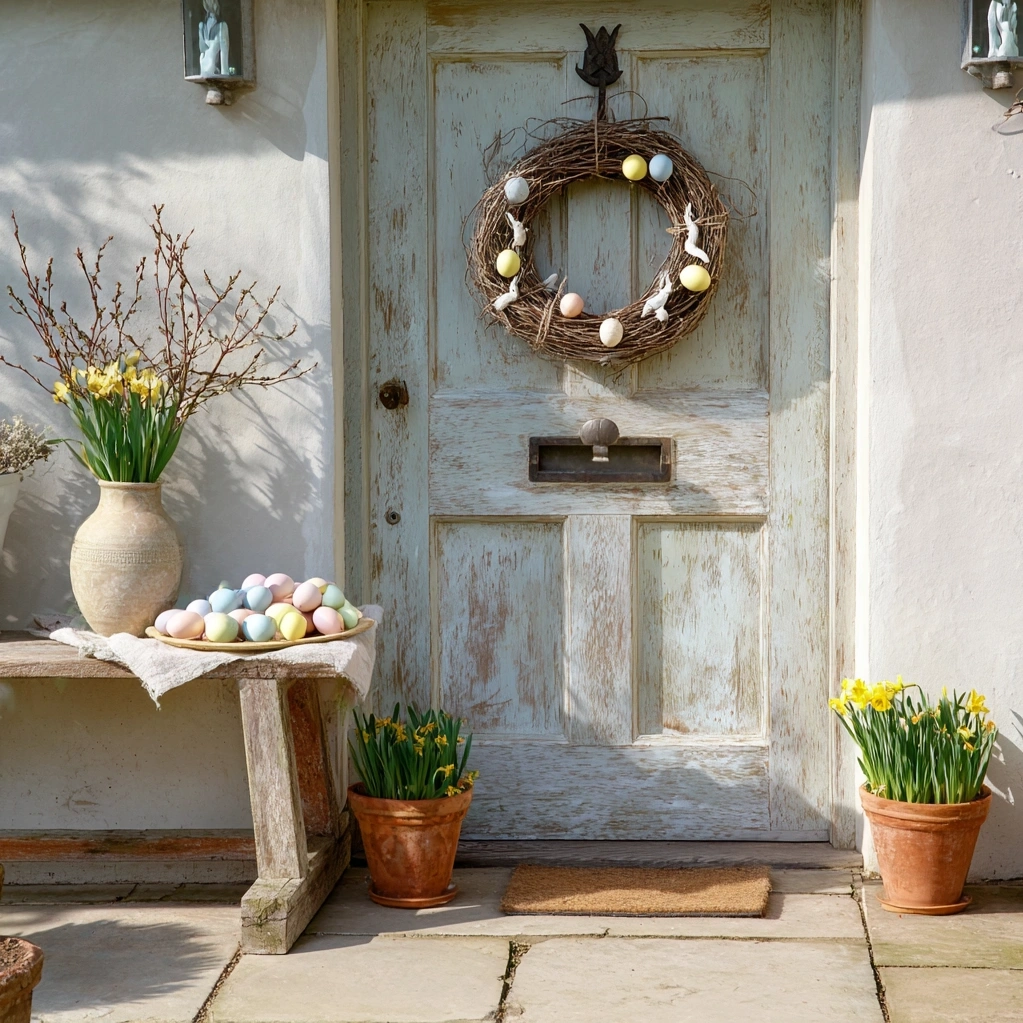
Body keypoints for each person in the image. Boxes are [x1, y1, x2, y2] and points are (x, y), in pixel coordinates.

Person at [199, 0, 230, 77]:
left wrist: (224, 74)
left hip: (213, 72)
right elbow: (202, 50)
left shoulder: (222, 26)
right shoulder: (202, 26)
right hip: (204, 70)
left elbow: (224, 52)